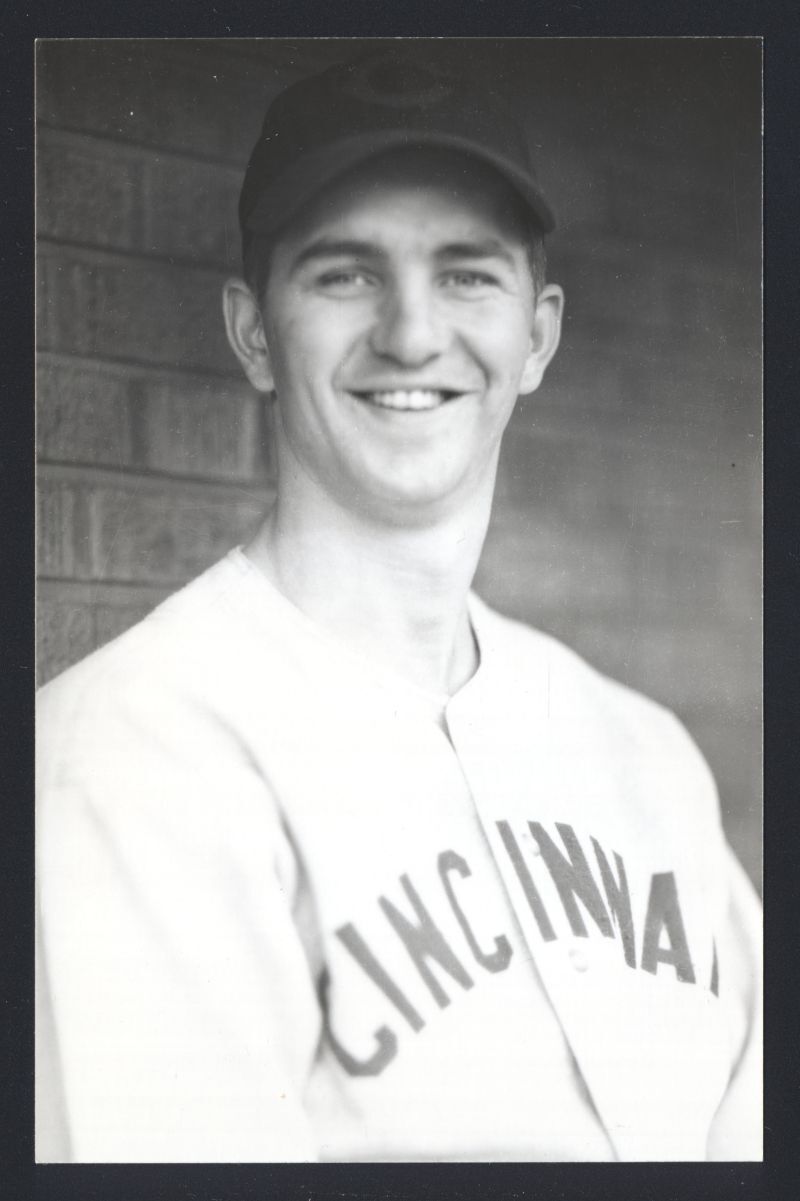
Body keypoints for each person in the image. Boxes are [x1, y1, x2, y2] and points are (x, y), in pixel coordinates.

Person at [35, 49, 762, 1163]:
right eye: (345, 274)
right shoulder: (130, 757)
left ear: (538, 335)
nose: (412, 333)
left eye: (467, 273)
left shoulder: (644, 756)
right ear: (250, 332)